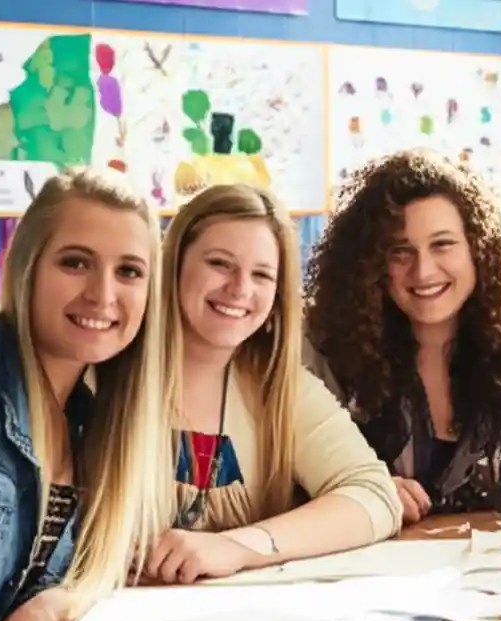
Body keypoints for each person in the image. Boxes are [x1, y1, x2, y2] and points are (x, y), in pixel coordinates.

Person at [0, 169, 168, 621]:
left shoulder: (100, 433)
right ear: (26, 267)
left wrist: (59, 602)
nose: (102, 294)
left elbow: (105, 567)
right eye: (75, 262)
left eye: (129, 271)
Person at [141, 184, 402, 586]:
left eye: (261, 274)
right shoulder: (112, 371)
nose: (240, 289)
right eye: (220, 263)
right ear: (174, 264)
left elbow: (375, 495)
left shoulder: (280, 386)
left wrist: (239, 546)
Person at [304, 149, 501, 524]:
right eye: (400, 251)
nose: (423, 270)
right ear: (370, 263)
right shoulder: (326, 355)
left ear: (480, 249)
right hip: (372, 575)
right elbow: (294, 480)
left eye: (442, 244)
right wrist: (361, 491)